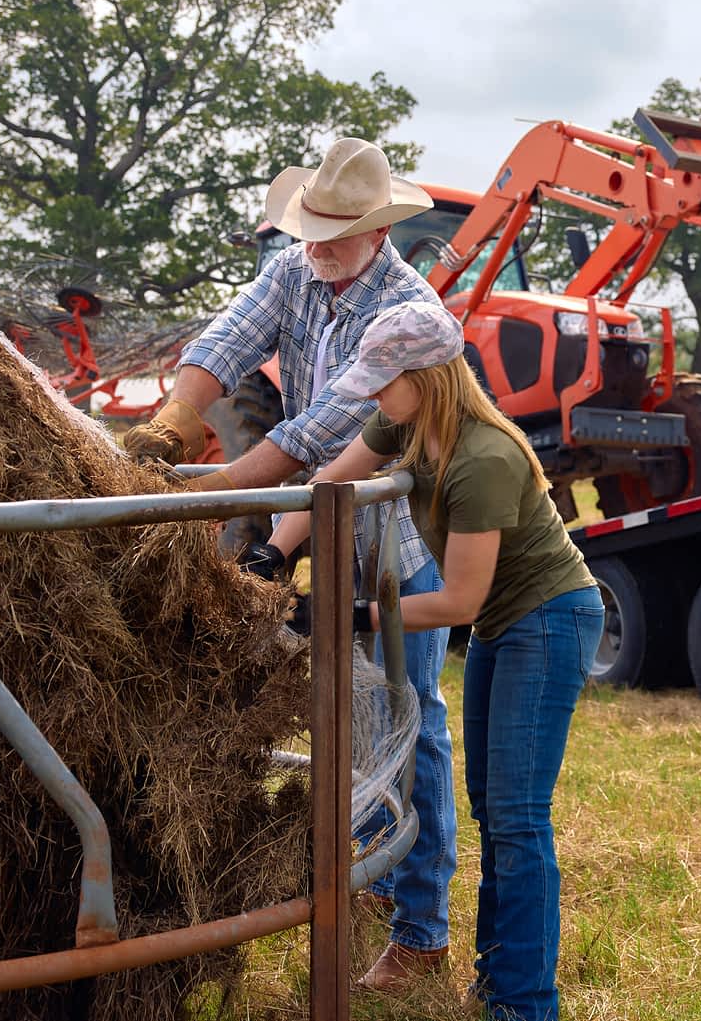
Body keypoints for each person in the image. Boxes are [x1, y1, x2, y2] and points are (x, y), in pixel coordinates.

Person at [119, 138, 458, 991]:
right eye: (312, 229)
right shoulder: (295, 270)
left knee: (409, 715)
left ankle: (422, 932)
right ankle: (372, 871)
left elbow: (319, 432)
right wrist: (176, 416)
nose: (319, 246)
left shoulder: (404, 310)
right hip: (322, 524)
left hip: (390, 543)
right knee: (349, 711)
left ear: (378, 232)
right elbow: (230, 338)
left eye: (337, 233)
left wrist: (209, 498)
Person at [266, 299, 603, 1021]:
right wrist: (275, 551)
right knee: (492, 805)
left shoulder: (484, 457)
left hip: (547, 620)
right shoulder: (408, 424)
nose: (373, 398)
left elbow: (459, 601)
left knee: (517, 817)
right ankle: (498, 980)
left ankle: (523, 1003)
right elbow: (332, 482)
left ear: (426, 377)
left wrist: (346, 614)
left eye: (383, 382)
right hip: (506, 623)